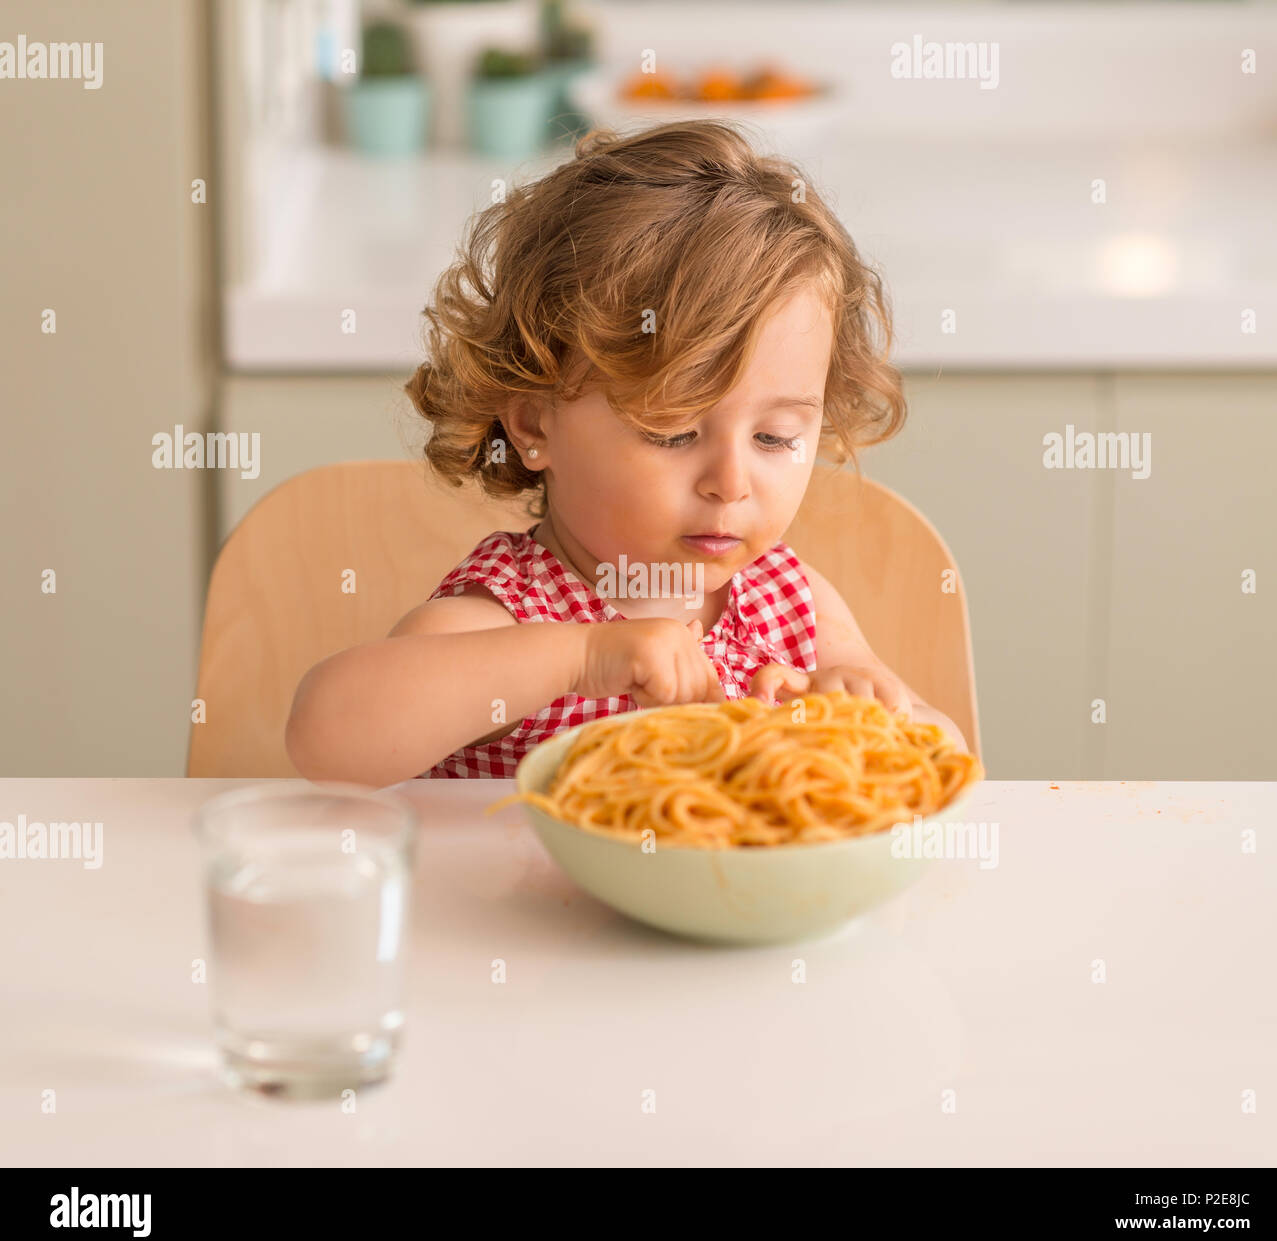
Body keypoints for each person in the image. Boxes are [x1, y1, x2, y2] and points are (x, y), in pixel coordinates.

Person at [286, 120, 968, 786]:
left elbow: (948, 751)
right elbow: (326, 737)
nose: (730, 483)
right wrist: (581, 658)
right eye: (672, 433)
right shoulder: (504, 613)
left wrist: (869, 714)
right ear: (535, 423)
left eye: (773, 438)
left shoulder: (791, 603)